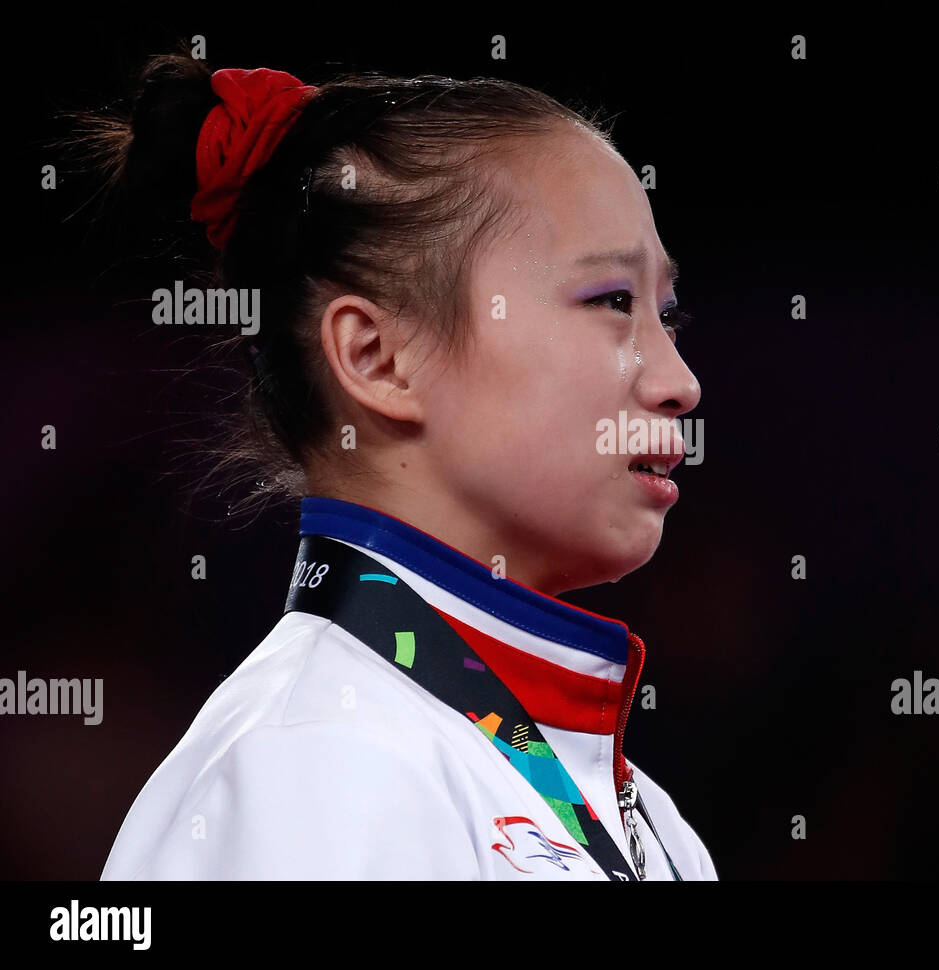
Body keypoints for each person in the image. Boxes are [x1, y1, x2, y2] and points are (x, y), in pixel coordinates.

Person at [86, 53, 714, 880]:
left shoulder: (648, 822)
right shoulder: (315, 768)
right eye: (611, 302)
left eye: (666, 314)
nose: (680, 383)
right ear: (378, 357)